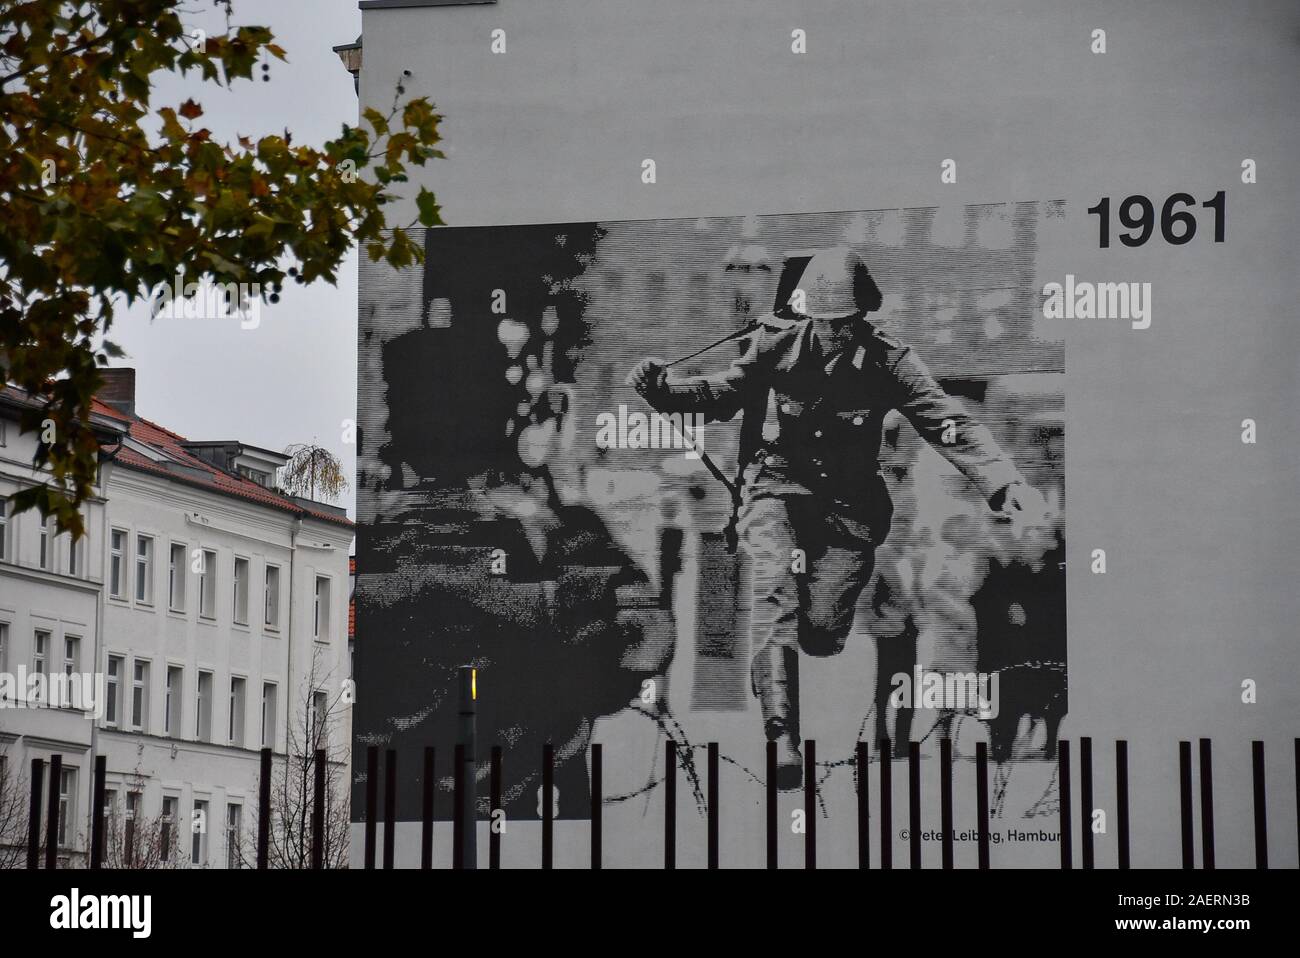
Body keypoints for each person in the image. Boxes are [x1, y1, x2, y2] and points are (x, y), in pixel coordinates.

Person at [629, 246, 1046, 788]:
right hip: (775, 489)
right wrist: (662, 390)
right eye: (824, 322)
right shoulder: (774, 344)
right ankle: (781, 736)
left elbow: (945, 421)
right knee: (773, 591)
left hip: (849, 508)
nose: (833, 334)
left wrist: (1002, 479)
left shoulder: (889, 360)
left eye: (844, 323)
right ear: (808, 316)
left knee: (823, 633)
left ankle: (806, 645)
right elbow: (721, 395)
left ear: (861, 316)